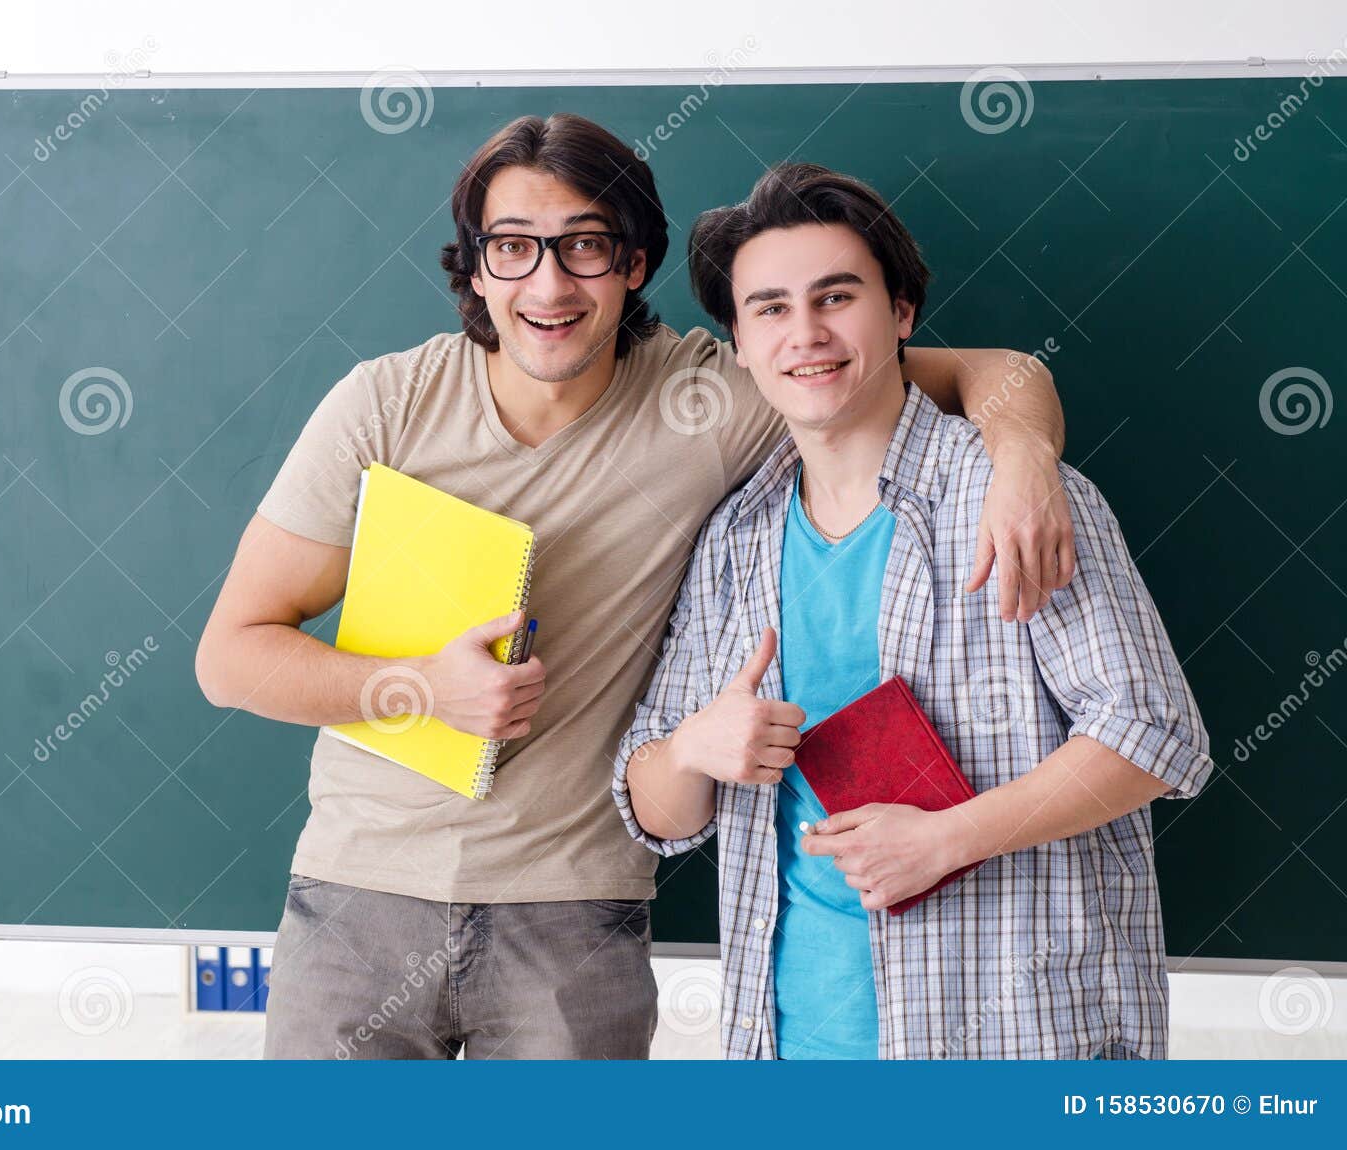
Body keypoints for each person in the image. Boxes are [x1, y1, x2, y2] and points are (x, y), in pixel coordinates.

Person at [196, 115, 1074, 1059]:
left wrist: (1024, 458)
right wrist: (414, 686)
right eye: (513, 248)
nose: (548, 283)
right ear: (477, 268)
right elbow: (230, 658)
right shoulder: (387, 403)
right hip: (358, 898)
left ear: (635, 262)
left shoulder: (716, 397)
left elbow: (992, 373)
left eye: (584, 245)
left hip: (574, 914)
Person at [614, 162, 1212, 1060]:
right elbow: (656, 811)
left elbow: (1156, 734)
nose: (805, 333)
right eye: (770, 308)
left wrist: (946, 840)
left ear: (900, 315)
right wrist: (696, 746)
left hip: (1013, 1042)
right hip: (781, 1047)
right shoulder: (734, 538)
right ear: (738, 343)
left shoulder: (1018, 499)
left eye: (836, 297)